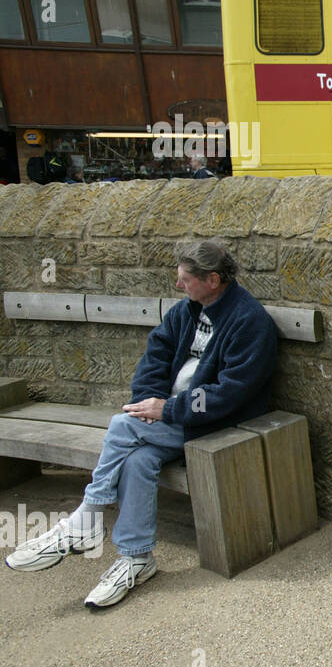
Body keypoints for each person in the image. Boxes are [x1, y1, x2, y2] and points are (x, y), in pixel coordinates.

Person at [5, 241, 278, 609]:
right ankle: (136, 558)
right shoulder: (187, 311)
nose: (178, 286)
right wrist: (147, 404)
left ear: (212, 279)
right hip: (172, 419)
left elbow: (231, 393)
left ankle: (86, 519)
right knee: (137, 458)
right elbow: (154, 358)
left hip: (220, 424)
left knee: (122, 427)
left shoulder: (249, 321)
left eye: (184, 279)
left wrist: (167, 409)